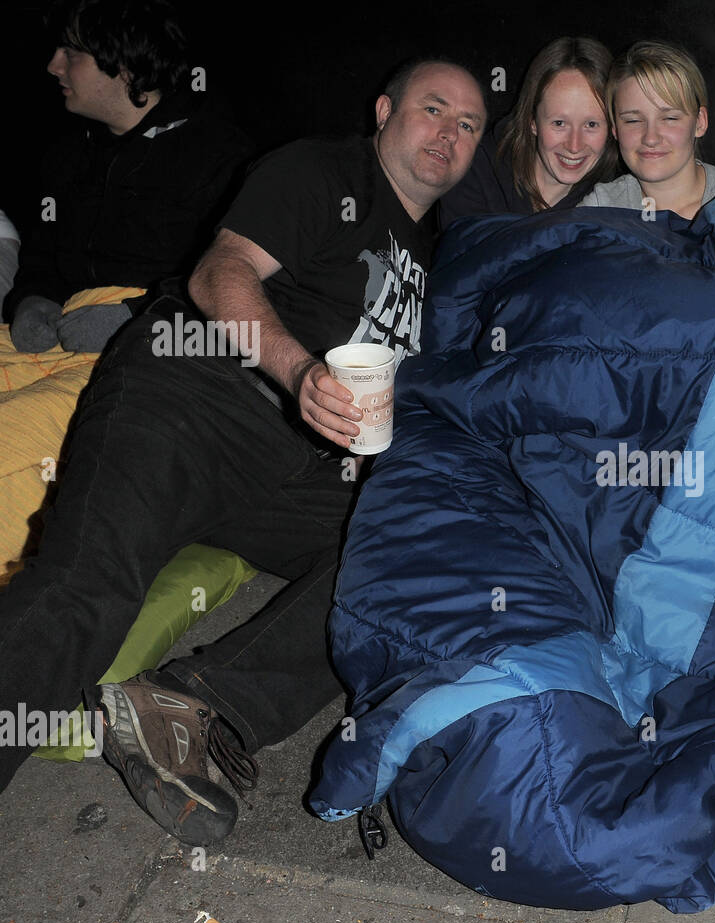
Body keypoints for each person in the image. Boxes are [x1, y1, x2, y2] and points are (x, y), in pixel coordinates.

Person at [0, 57, 486, 847]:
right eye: (435, 110)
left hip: (304, 464)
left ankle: (196, 702)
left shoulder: (432, 263)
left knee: (412, 563)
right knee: (90, 586)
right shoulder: (324, 169)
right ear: (384, 110)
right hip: (199, 397)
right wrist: (298, 372)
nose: (449, 133)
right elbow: (218, 274)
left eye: (469, 126)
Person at [5, 0, 252, 353]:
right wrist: (31, 299)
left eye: (71, 52)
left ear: (126, 64)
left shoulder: (220, 159)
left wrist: (136, 320)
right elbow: (43, 254)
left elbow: (236, 283)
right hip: (67, 335)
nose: (53, 66)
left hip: (166, 350)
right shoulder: (68, 155)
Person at [578, 40, 715, 219]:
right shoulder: (599, 210)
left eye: (670, 118)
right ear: (615, 130)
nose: (651, 138)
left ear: (700, 122)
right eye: (633, 121)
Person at [438, 37, 618, 229]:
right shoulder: (475, 170)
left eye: (591, 124)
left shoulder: (617, 200)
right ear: (532, 120)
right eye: (559, 123)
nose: (574, 145)